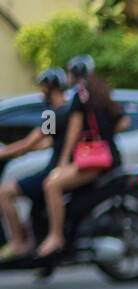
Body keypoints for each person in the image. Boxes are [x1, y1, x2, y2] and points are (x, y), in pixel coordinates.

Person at [36, 55, 122, 259]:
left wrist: (63, 159)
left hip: (88, 159)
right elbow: (122, 120)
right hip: (106, 155)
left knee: (51, 184)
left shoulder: (60, 107)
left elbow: (48, 137)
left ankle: (56, 236)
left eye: (43, 86)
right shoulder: (98, 93)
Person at [0, 68, 69, 260]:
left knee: (4, 192)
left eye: (43, 87)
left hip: (54, 171)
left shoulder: (53, 113)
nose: (41, 92)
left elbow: (30, 141)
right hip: (60, 168)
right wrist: (26, 149)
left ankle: (18, 242)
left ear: (50, 87)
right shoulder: (67, 109)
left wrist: (5, 152)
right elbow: (47, 142)